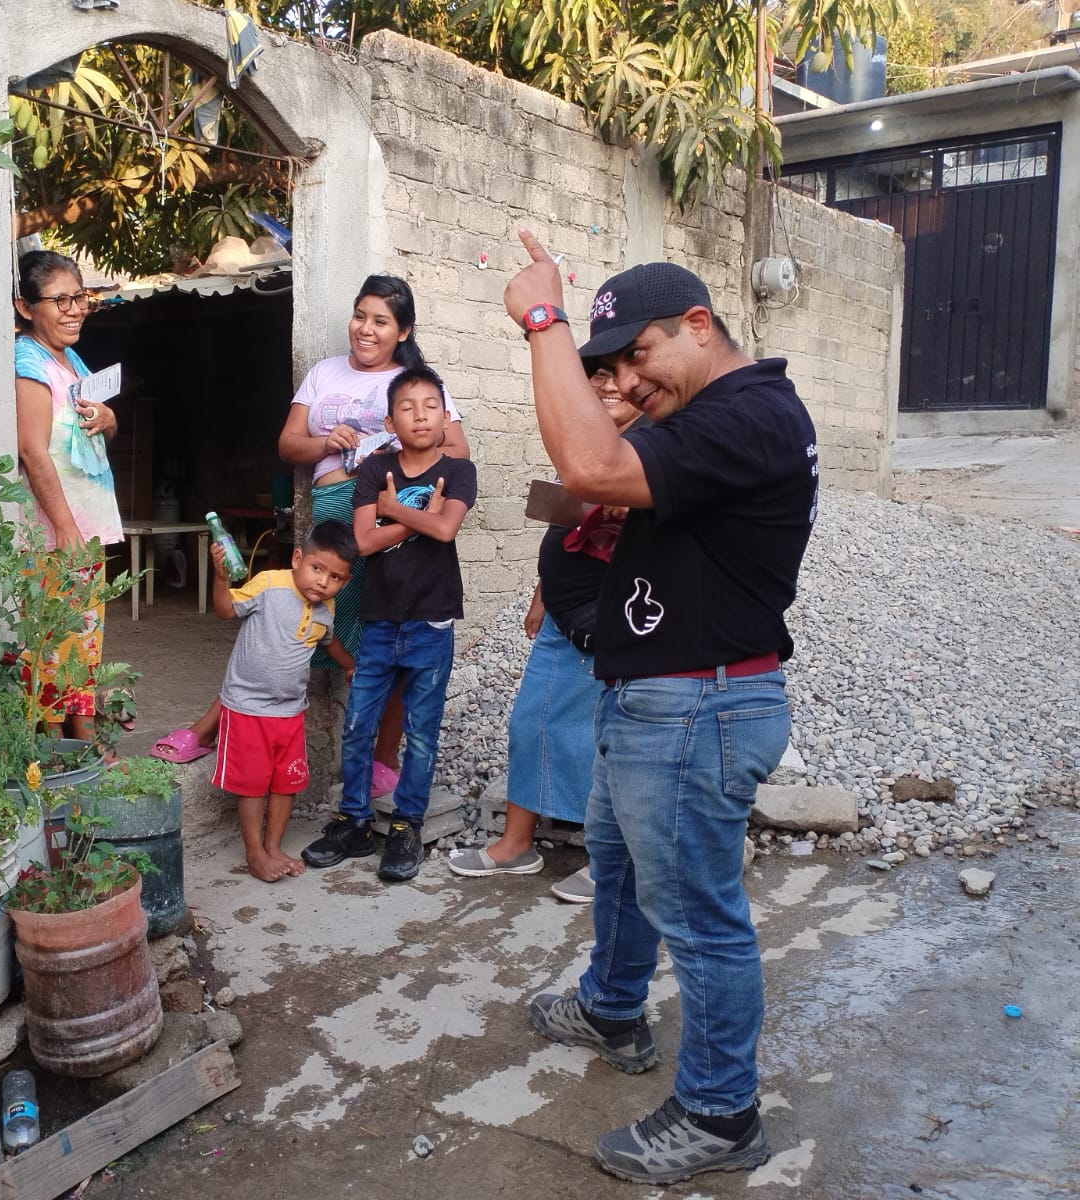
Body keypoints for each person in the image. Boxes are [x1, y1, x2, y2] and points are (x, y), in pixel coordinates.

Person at [502, 239, 817, 1186]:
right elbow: (595, 477)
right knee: (618, 862)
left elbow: (591, 465)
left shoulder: (752, 411)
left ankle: (722, 1114)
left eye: (637, 358)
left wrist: (543, 319)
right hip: (659, 698)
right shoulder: (715, 418)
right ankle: (612, 1005)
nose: (629, 385)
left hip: (697, 708)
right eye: (611, 371)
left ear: (697, 323)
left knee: (699, 916)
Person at [151, 276, 470, 781]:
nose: (366, 329)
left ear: (403, 331)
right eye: (360, 315)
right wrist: (327, 443)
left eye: (381, 321)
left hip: (388, 510)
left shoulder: (418, 386)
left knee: (388, 633)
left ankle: (384, 758)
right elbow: (287, 445)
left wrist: (400, 450)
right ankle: (212, 727)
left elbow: (458, 451)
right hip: (331, 512)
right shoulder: (324, 372)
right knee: (286, 620)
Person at [446, 368, 644, 903]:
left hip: (607, 624)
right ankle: (517, 844)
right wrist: (542, 592)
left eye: (617, 376)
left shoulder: (650, 454)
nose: (606, 386)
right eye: (596, 376)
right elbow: (569, 529)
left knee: (597, 738)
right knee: (530, 722)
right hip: (562, 613)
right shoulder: (591, 448)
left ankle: (610, 861)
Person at [300, 365, 478, 883]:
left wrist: (392, 510)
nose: (419, 416)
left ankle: (406, 827)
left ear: (446, 417)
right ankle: (352, 821)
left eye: (430, 407)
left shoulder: (459, 470)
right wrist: (413, 514)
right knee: (358, 727)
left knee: (421, 733)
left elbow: (446, 530)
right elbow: (364, 542)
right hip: (379, 620)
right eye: (407, 407)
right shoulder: (377, 468)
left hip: (432, 620)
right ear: (388, 419)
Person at [13, 250, 122, 745]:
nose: (75, 308)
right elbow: (33, 450)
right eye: (60, 300)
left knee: (83, 636)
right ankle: (57, 747)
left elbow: (84, 432)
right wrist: (63, 527)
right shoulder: (27, 361)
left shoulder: (70, 358)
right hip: (59, 529)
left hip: (83, 524)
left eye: (80, 297)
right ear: (25, 306)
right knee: (54, 640)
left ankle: (84, 734)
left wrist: (110, 420)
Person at [209, 520, 357, 882]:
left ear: (345, 582)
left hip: (290, 711)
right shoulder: (270, 584)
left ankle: (273, 846)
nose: (323, 582)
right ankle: (254, 853)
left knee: (286, 783)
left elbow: (327, 640)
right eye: (317, 568)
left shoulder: (326, 609)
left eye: (336, 577)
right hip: (247, 707)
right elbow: (227, 610)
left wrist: (352, 664)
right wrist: (220, 578)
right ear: (297, 559)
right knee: (253, 785)